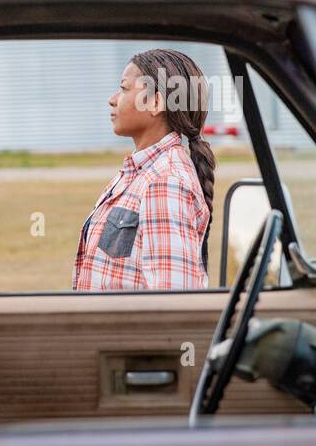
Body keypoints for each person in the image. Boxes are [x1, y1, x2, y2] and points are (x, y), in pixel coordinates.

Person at [72, 48, 215, 291]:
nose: (113, 98)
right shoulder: (141, 172)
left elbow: (175, 302)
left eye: (125, 89)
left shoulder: (166, 182)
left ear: (156, 102)